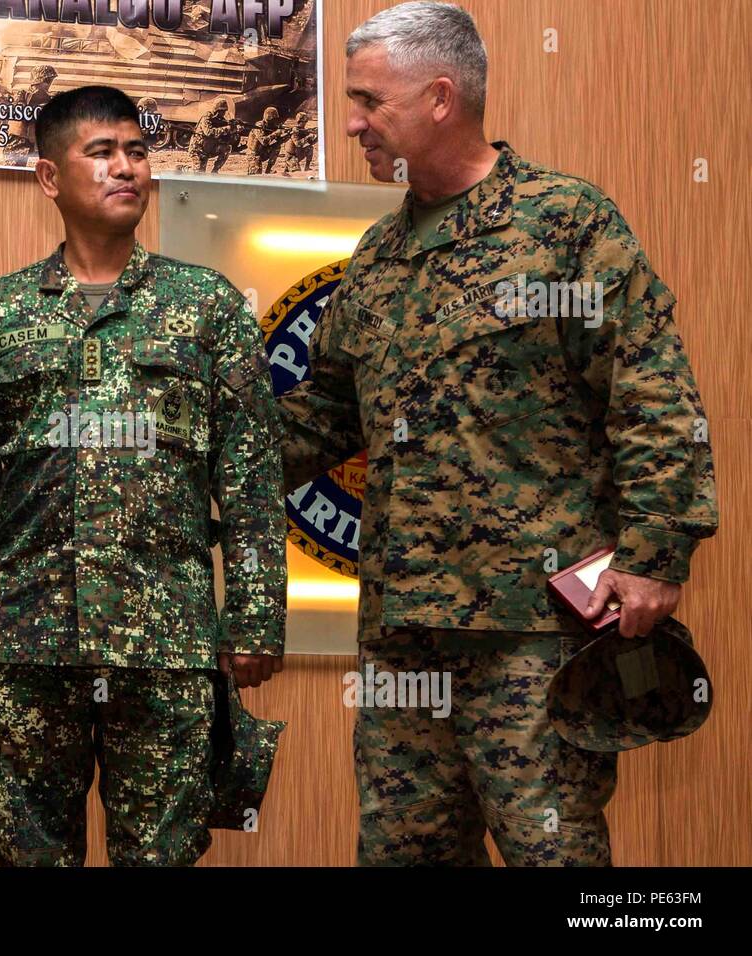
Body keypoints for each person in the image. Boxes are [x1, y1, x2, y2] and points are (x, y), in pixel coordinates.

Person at [279, 1, 717, 866]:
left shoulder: (566, 224)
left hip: (537, 631)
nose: (355, 123)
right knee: (406, 855)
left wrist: (657, 552)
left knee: (551, 856)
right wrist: (184, 452)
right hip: (406, 634)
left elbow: (654, 396)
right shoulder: (377, 255)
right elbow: (320, 415)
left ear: (441, 97)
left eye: (370, 100)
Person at [0, 85, 287, 866]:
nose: (127, 168)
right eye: (102, 153)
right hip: (29, 639)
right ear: (49, 178)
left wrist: (257, 616)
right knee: (26, 851)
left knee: (162, 853)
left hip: (166, 638)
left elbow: (252, 480)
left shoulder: (207, 307)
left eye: (137, 150)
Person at [188, 97, 233, 172]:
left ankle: (215, 171)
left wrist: (234, 130)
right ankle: (184, 169)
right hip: (198, 150)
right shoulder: (206, 118)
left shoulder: (221, 120)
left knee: (227, 148)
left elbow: (227, 138)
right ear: (217, 110)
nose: (224, 113)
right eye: (222, 111)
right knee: (198, 172)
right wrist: (227, 128)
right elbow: (209, 132)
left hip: (208, 148)